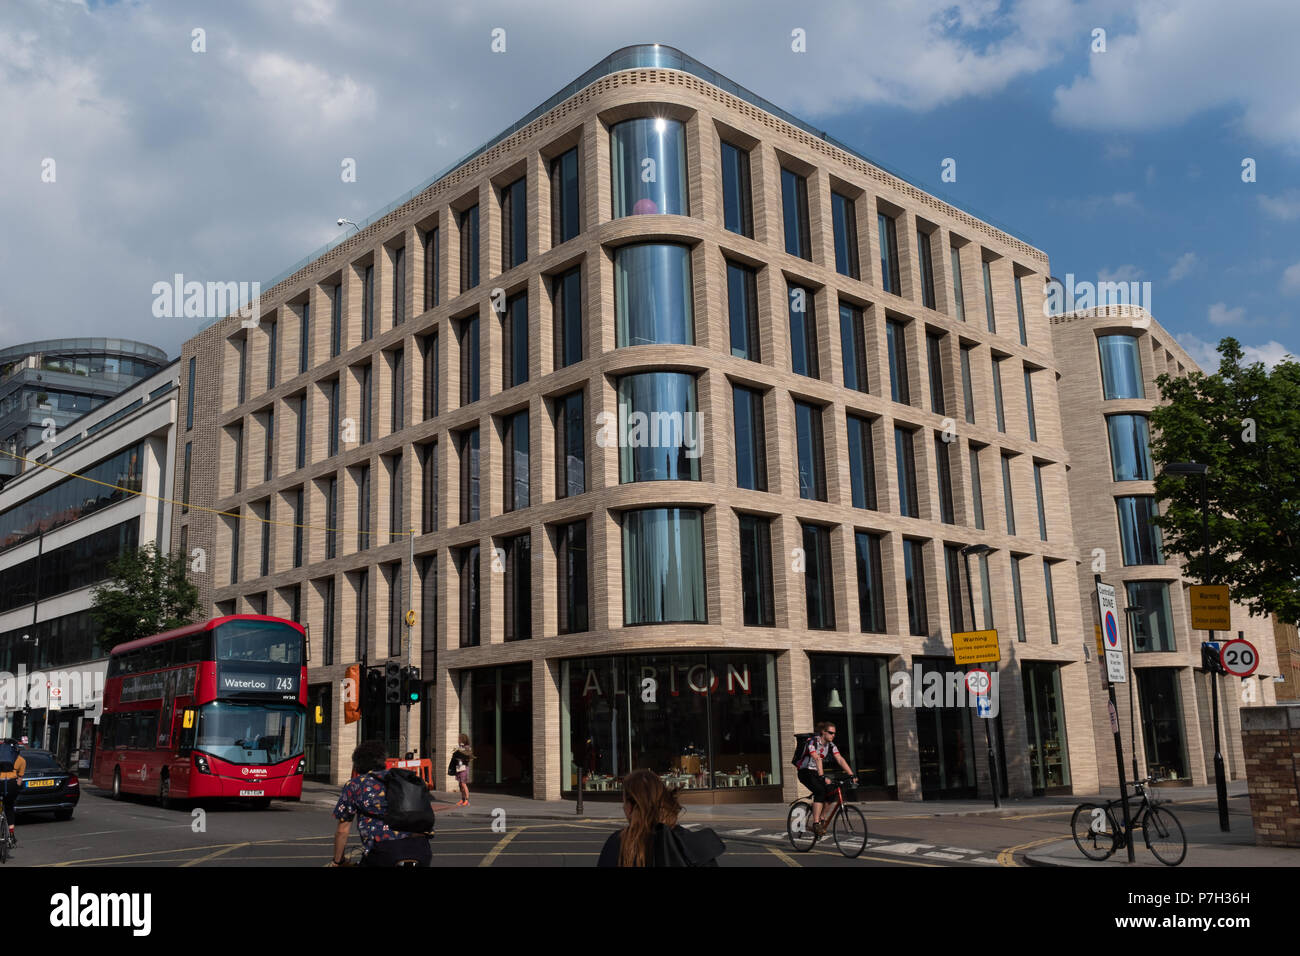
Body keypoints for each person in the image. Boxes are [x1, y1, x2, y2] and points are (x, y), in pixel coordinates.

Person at [330, 740, 431, 867]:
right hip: (420, 848)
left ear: (357, 764)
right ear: (383, 760)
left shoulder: (355, 785)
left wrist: (338, 861)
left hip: (383, 852)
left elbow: (342, 831)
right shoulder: (400, 779)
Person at [596, 769, 725, 867]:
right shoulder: (689, 844)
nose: (623, 808)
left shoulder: (618, 844)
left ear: (631, 807)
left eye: (624, 802)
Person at [796, 722, 856, 836]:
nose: (833, 735)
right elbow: (817, 758)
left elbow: (840, 759)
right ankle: (816, 823)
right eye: (831, 733)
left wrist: (852, 775)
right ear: (823, 732)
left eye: (834, 733)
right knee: (820, 791)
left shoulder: (831, 745)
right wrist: (822, 777)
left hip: (817, 772)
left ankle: (822, 817)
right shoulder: (812, 742)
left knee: (832, 790)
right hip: (805, 772)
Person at [0, 738, 25, 846]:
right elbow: (19, 781)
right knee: (9, 808)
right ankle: (11, 835)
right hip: (11, 785)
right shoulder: (21, 760)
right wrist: (17, 789)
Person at [452, 734, 473, 806]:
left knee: (463, 783)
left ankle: (467, 800)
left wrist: (461, 756)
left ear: (462, 739)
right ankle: (462, 799)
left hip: (464, 767)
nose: (458, 740)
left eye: (459, 739)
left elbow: (468, 758)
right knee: (460, 784)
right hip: (459, 767)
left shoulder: (467, 748)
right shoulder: (460, 747)